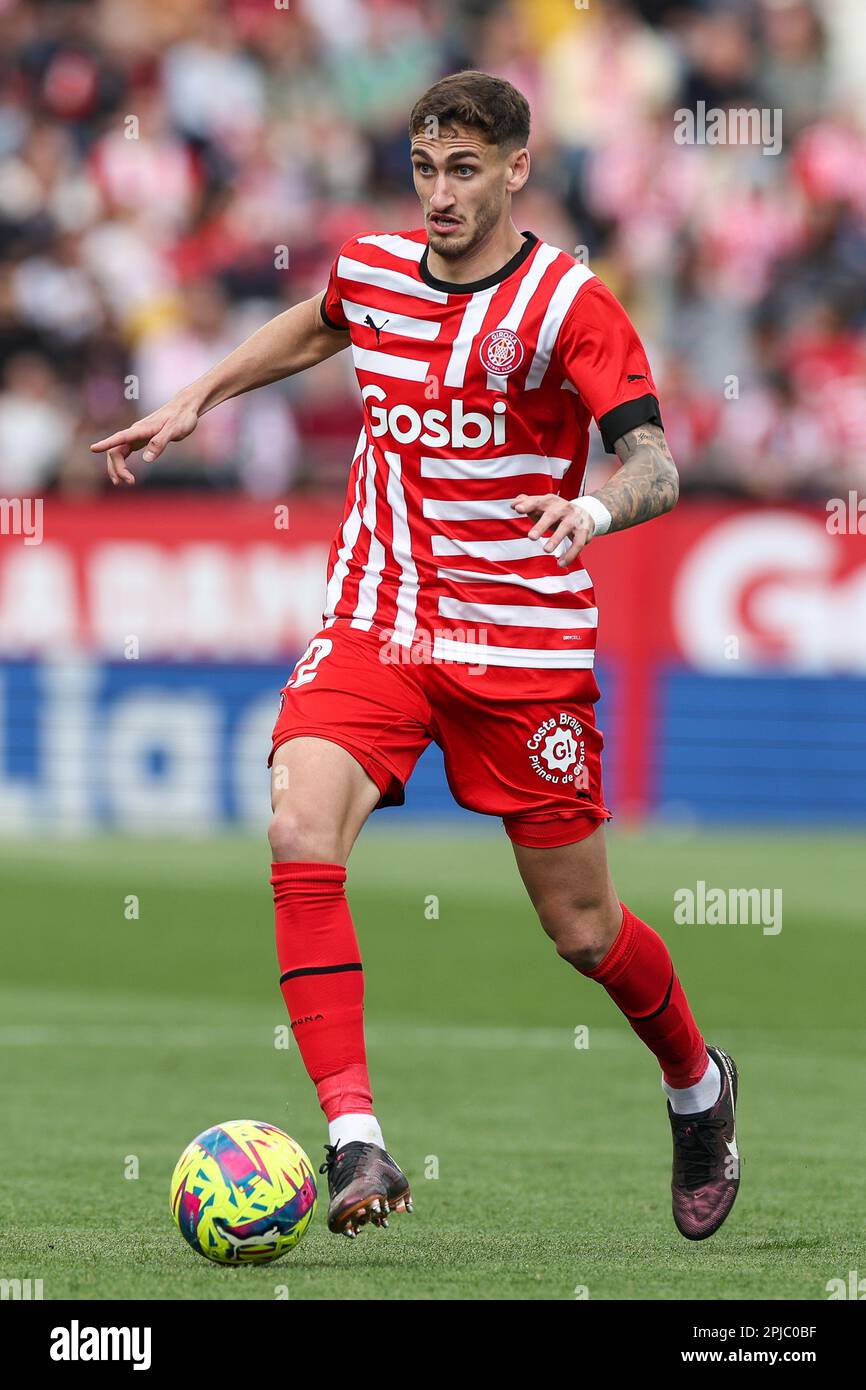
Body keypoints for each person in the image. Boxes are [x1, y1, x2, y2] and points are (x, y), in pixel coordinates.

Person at [92, 70, 740, 1243]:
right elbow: (321, 319)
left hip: (520, 643)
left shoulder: (565, 302)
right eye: (426, 169)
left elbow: (653, 462)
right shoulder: (376, 268)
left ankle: (697, 1087)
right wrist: (200, 393)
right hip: (376, 621)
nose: (439, 195)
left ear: (514, 171)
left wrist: (591, 513)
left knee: (582, 930)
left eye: (464, 171)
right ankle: (356, 1142)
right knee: (297, 825)